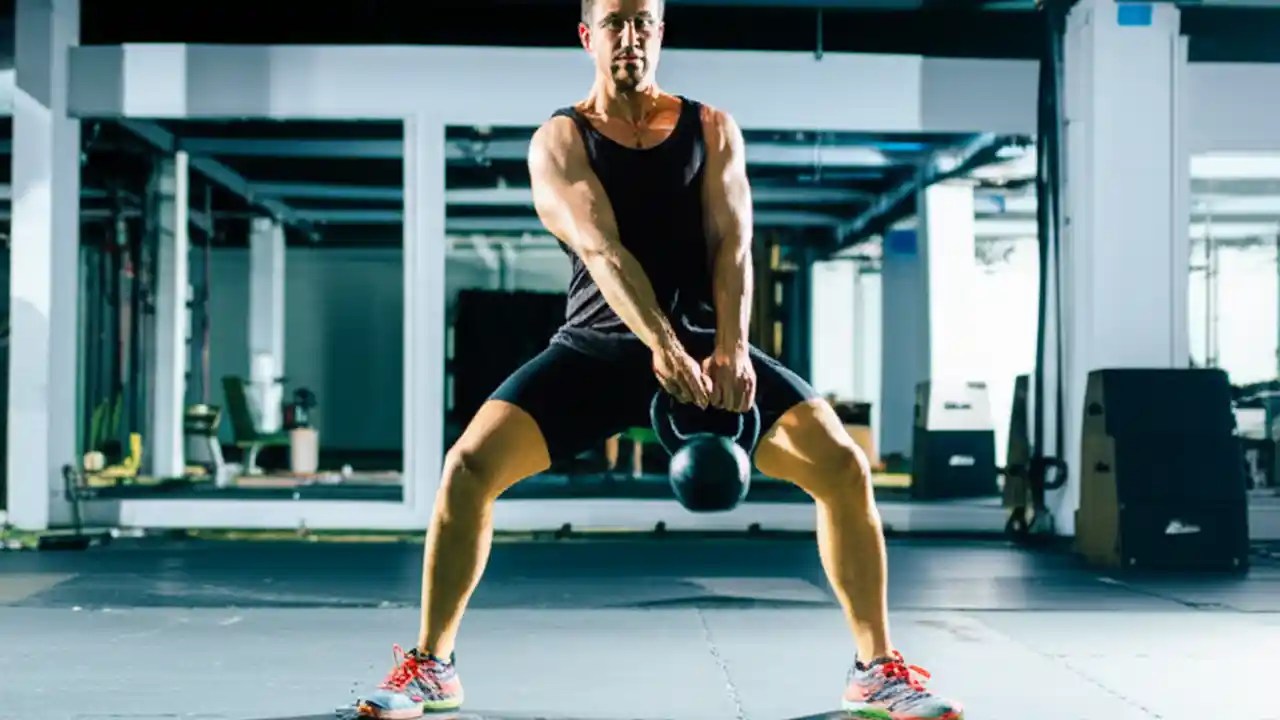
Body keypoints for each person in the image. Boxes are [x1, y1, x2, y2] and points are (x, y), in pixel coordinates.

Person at [354, 0, 963, 718]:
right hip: (596, 348)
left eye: (645, 20)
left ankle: (876, 669)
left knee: (841, 465)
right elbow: (601, 249)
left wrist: (731, 346)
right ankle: (432, 666)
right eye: (615, 21)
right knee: (467, 469)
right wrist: (662, 346)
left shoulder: (711, 128)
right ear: (588, 36)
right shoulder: (560, 140)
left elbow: (733, 245)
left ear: (662, 32)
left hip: (709, 347)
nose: (631, 36)